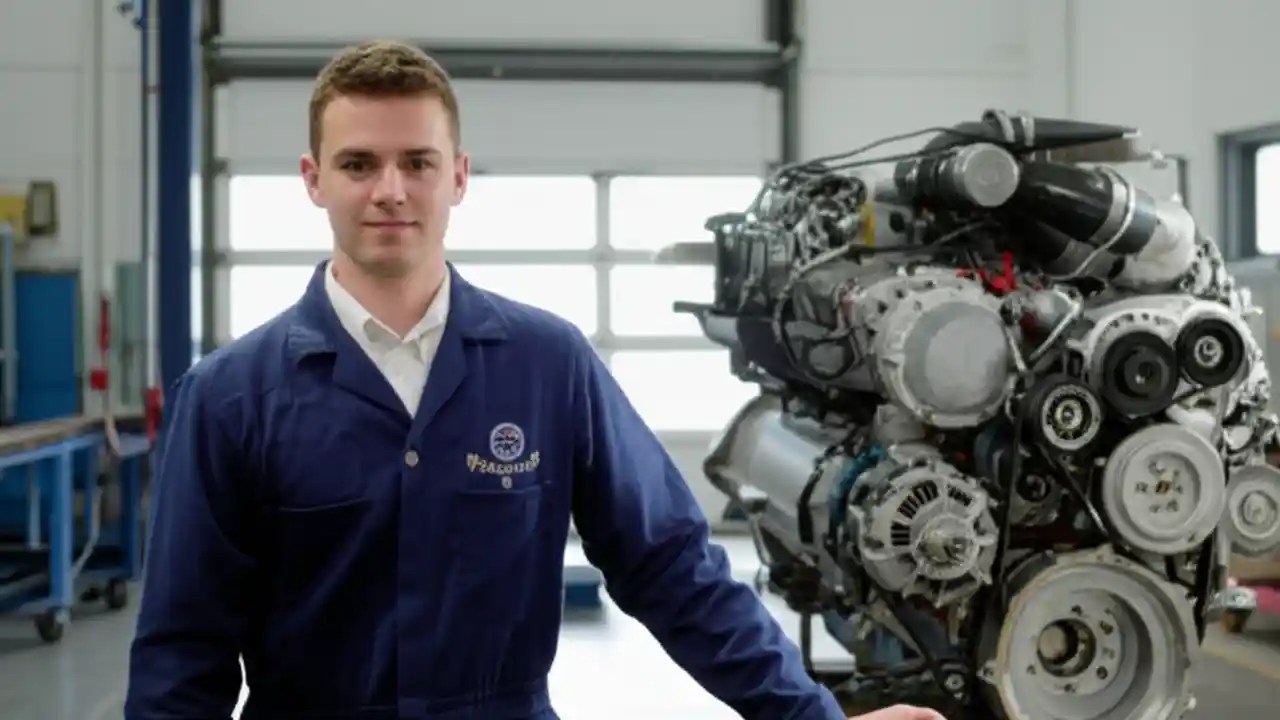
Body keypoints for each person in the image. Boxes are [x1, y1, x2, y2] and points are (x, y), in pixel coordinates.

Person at [124, 39, 945, 720]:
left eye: (417, 162)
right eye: (359, 163)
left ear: (458, 175)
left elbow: (671, 567)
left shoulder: (547, 365)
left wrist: (809, 716)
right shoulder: (231, 398)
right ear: (314, 179)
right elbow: (183, 651)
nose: (390, 191)